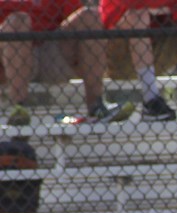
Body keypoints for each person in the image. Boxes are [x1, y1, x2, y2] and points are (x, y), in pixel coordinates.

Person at [0, 0, 134, 126]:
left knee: (90, 16)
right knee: (18, 20)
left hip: (51, 52)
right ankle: (19, 109)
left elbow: (76, 17)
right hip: (10, 55)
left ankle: (96, 107)